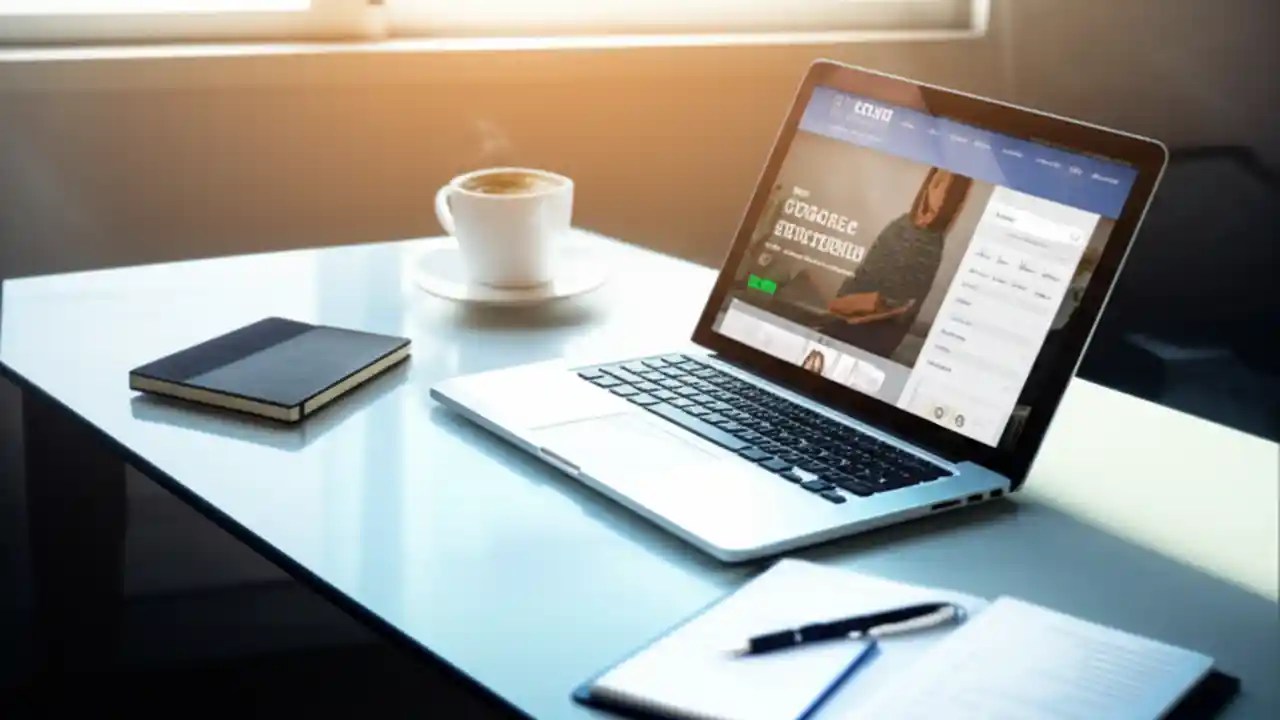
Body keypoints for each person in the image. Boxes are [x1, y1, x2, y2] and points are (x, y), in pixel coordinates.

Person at [823, 167, 973, 361]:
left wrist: (840, 306)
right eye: (937, 181)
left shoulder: (929, 243)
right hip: (851, 313)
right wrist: (842, 302)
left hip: (869, 332)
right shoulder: (901, 223)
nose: (938, 189)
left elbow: (895, 304)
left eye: (947, 188)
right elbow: (865, 270)